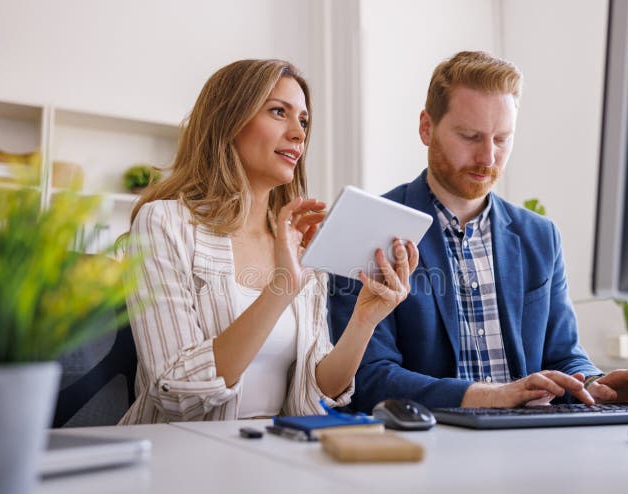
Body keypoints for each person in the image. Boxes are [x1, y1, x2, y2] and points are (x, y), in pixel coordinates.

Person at [328, 51, 628, 413]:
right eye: (470, 136)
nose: (488, 158)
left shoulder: (540, 237)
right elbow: (366, 378)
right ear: (426, 127)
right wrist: (488, 396)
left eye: (502, 139)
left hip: (530, 445)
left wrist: (596, 385)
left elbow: (562, 355)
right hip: (428, 447)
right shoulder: (368, 228)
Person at [120, 59, 417, 423]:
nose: (298, 134)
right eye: (279, 112)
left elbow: (315, 388)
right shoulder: (164, 224)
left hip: (272, 450)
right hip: (180, 452)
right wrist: (282, 287)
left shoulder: (299, 241)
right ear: (228, 120)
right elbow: (175, 389)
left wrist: (365, 320)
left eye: (304, 121)